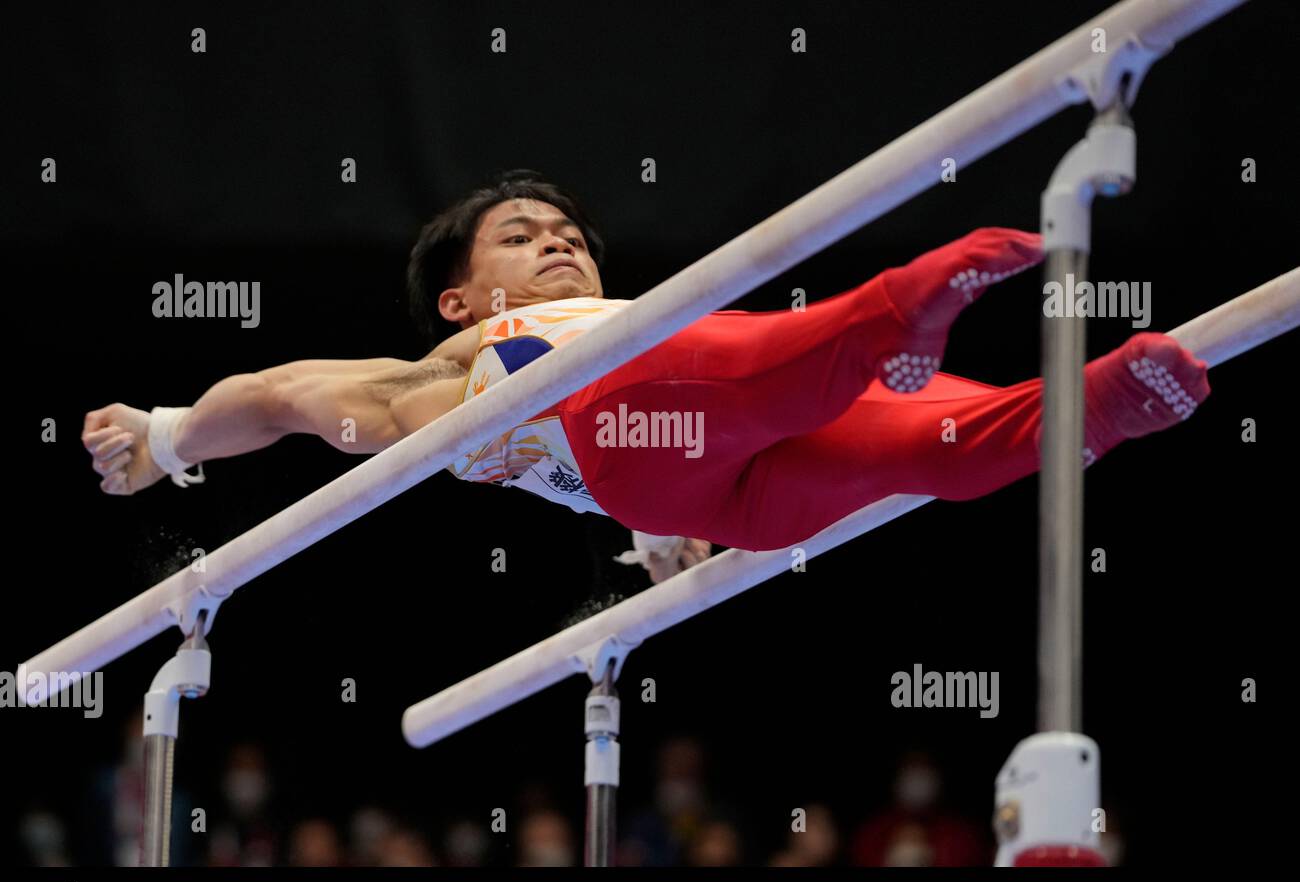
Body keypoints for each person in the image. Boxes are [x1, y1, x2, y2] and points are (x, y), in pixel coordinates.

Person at [79, 170, 1209, 574]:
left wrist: (663, 554)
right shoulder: (444, 367)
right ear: (462, 300)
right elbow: (275, 399)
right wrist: (169, 433)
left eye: (568, 229)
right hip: (640, 446)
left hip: (710, 478)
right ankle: (895, 307)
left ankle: (1091, 404)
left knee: (923, 447)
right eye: (521, 235)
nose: (558, 239)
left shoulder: (623, 313)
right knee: (737, 368)